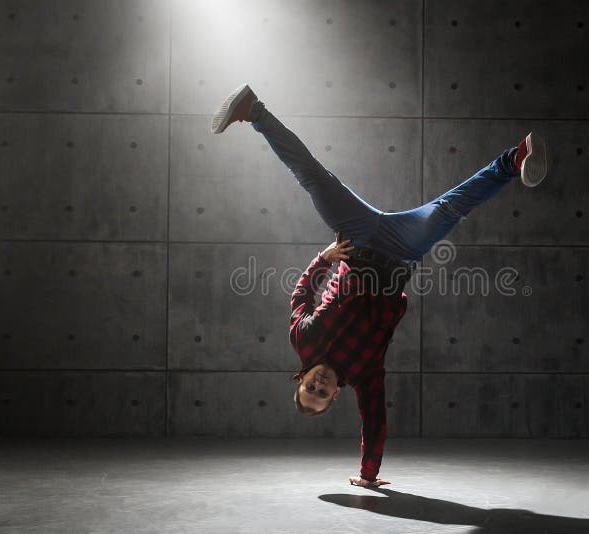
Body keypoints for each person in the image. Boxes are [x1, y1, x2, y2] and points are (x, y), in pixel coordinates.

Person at [210, 83, 548, 488]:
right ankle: (515, 159)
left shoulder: (302, 342)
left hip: (355, 239)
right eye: (321, 394)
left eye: (309, 389)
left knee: (313, 176)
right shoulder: (366, 374)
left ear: (300, 379)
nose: (317, 386)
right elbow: (375, 421)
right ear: (335, 396)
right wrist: (369, 476)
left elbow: (299, 295)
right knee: (449, 209)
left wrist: (323, 260)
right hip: (401, 251)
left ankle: (254, 110)